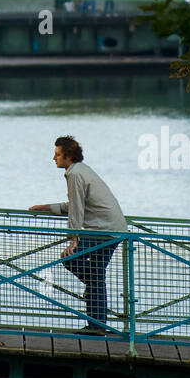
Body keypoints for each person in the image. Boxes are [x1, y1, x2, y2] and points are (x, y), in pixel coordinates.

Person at [29, 135, 126, 335]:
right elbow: (76, 204)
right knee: (97, 275)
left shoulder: (74, 173)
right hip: (115, 229)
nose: (53, 158)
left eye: (57, 154)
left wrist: (73, 240)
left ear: (68, 156)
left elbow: (76, 210)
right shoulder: (82, 170)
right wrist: (47, 207)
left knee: (70, 258)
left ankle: (93, 300)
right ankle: (97, 326)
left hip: (103, 229)